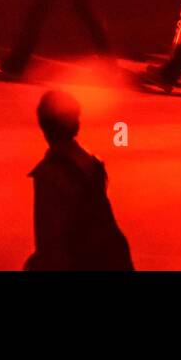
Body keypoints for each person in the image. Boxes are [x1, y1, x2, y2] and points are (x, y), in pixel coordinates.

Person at [25, 90, 133, 271]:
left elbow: (50, 237)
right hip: (107, 255)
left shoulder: (50, 173)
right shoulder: (93, 163)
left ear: (44, 127)